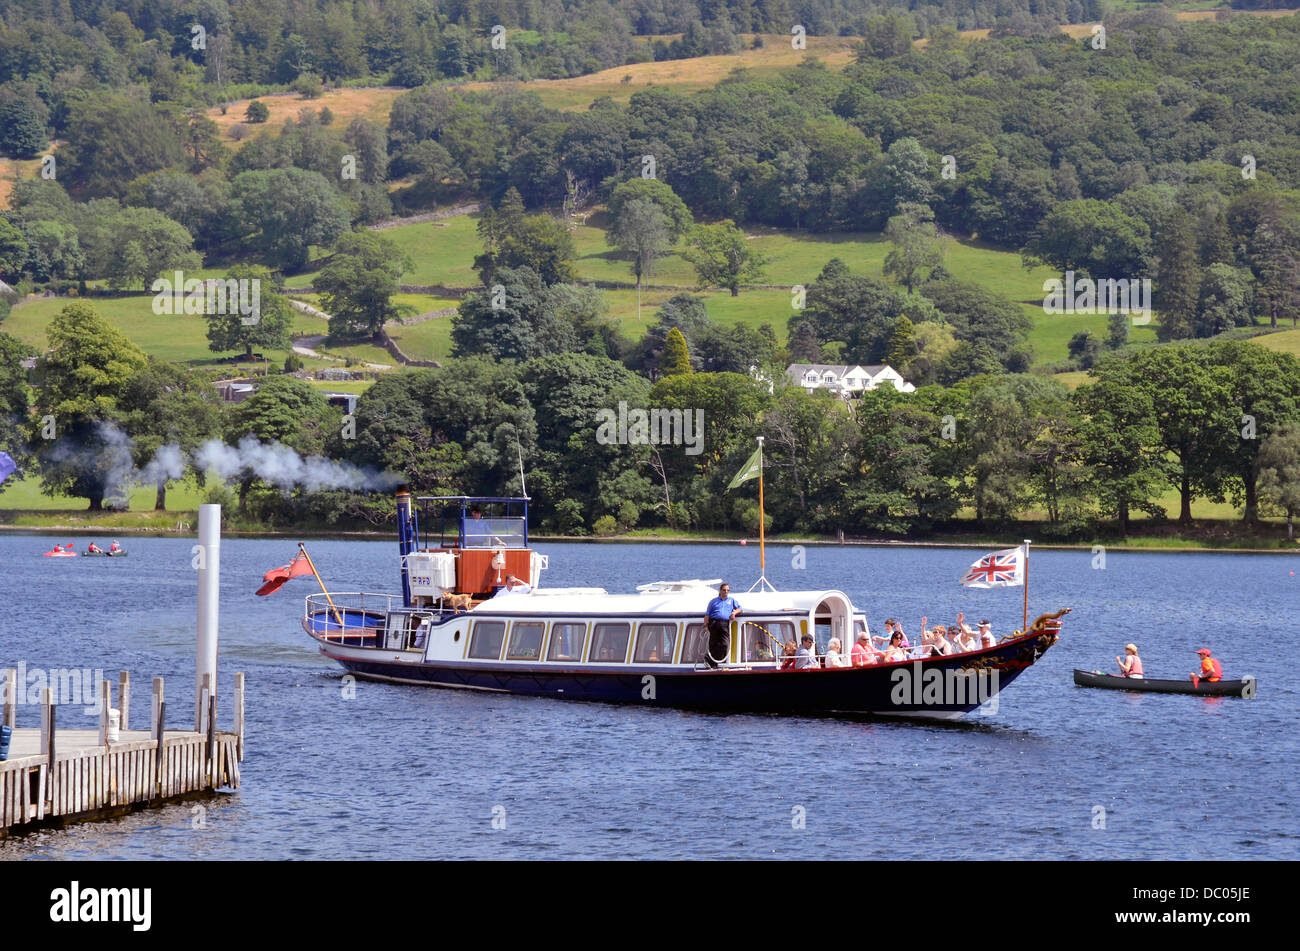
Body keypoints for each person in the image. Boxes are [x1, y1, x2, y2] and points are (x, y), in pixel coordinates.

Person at [702, 582, 741, 668]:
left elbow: (740, 608)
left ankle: (709, 659)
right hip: (714, 623)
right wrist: (705, 626)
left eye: (727, 590)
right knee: (713, 643)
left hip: (724, 624)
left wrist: (734, 613)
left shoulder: (731, 600)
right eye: (724, 590)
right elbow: (707, 614)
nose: (726, 592)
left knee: (724, 644)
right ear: (720, 591)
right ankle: (713, 664)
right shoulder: (713, 601)